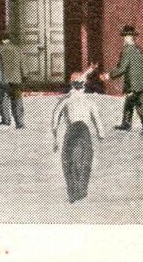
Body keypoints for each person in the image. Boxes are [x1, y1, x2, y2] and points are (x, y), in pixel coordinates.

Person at [51, 72, 105, 202]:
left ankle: (72, 190)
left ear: (71, 85)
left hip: (71, 131)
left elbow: (55, 118)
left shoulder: (66, 101)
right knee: (85, 160)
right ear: (84, 86)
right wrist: (100, 134)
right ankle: (82, 190)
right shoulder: (89, 101)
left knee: (69, 160)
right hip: (84, 131)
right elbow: (96, 119)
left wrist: (55, 137)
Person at [106, 25, 143, 135]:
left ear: (129, 38)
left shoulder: (127, 50)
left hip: (134, 84)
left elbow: (122, 68)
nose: (124, 39)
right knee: (129, 103)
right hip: (141, 83)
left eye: (125, 37)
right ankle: (126, 123)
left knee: (140, 106)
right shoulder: (138, 50)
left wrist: (109, 76)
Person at [0, 34, 25, 128]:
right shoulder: (17, 49)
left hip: (4, 79)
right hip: (16, 79)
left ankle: (6, 120)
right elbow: (23, 64)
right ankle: (19, 122)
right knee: (17, 100)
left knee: (3, 100)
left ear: (2, 40)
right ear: (10, 40)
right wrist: (25, 75)